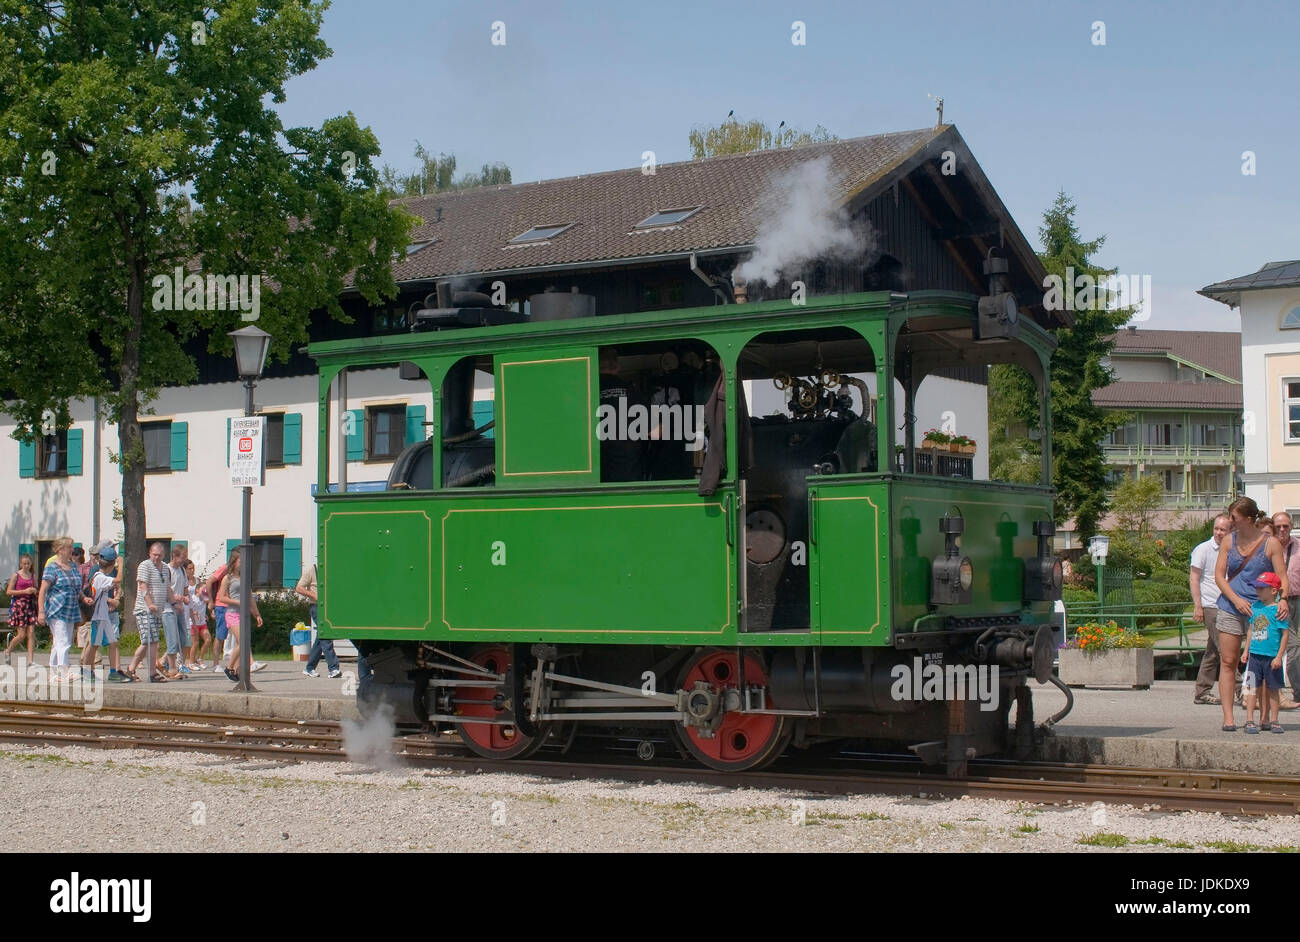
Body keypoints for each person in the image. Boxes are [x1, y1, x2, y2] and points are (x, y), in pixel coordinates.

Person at [1215, 497, 1290, 732]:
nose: (1230, 521)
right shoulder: (1229, 540)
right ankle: (1229, 717)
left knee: (1263, 662)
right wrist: (1236, 600)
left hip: (1261, 610)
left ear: (1248, 519)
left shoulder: (1271, 543)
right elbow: (1219, 575)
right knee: (1228, 661)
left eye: (1234, 517)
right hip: (1230, 606)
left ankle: (1265, 716)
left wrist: (1283, 599)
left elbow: (1282, 576)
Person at [1190, 514, 1235, 705]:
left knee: (1213, 651)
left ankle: (1202, 690)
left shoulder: (1232, 549)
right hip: (1211, 605)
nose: (1218, 533)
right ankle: (1242, 689)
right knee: (1226, 651)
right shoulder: (1203, 549)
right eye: (1216, 528)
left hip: (1227, 604)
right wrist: (1198, 605)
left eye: (1223, 529)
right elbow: (1194, 578)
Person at [1241, 572, 1289, 734]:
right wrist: (1246, 651)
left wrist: (1279, 656)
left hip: (1271, 656)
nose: (1258, 591)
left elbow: (1285, 635)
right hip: (1255, 655)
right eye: (1257, 588)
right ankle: (1249, 720)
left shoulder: (1279, 610)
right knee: (1251, 687)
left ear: (1274, 591)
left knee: (1273, 688)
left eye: (1262, 588)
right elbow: (1250, 630)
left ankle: (1274, 720)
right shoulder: (1255, 607)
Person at [36, 538, 81, 682]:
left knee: (59, 642)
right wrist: (41, 611)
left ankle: (54, 673)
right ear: (60, 550)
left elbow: (76, 586)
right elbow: (43, 590)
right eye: (69, 547)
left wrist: (84, 597)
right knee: (63, 641)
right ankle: (65, 670)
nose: (71, 550)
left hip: (71, 609)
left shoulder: (73, 566)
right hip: (57, 609)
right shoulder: (52, 567)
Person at [81, 548, 129, 682]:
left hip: (104, 616)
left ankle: (113, 672)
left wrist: (114, 599)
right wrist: (121, 563)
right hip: (98, 617)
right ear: (112, 564)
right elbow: (118, 580)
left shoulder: (99, 576)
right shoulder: (100, 577)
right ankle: (86, 671)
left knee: (113, 643)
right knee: (94, 645)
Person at [216, 552, 264, 682]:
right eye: (240, 561)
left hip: (244, 614)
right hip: (232, 613)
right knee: (243, 641)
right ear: (234, 562)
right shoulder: (228, 578)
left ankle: (237, 670)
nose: (243, 564)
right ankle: (229, 667)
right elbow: (222, 597)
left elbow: (250, 597)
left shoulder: (244, 577)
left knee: (240, 643)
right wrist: (238, 602)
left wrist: (257, 613)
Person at [1271, 511, 1300, 710]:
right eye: (1279, 526)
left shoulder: (1298, 546)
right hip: (1273, 601)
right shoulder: (1268, 546)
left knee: (1291, 645)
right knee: (1289, 644)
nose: (1282, 529)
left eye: (1286, 526)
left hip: (1296, 599)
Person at [133, 542, 171, 683]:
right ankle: (144, 671)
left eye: (159, 555)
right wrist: (150, 603)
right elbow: (143, 585)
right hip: (144, 610)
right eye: (154, 555)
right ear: (150, 553)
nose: (156, 558)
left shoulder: (165, 568)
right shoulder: (145, 565)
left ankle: (138, 671)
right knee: (150, 640)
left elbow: (167, 587)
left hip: (157, 612)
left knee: (150, 642)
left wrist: (174, 602)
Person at [296, 562, 339, 678]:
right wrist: (313, 595)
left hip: (328, 608)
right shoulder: (312, 569)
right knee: (326, 636)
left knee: (321, 636)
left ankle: (309, 668)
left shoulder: (333, 569)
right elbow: (299, 588)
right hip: (316, 607)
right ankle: (333, 668)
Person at [4, 554, 39, 665]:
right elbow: (8, 592)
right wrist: (24, 591)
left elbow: (37, 590)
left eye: (28, 563)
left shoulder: (33, 575)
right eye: (24, 563)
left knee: (32, 632)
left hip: (30, 605)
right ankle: (8, 651)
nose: (26, 566)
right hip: (19, 606)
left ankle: (30, 660)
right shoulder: (16, 575)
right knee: (21, 635)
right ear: (20, 564)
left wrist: (35, 590)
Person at [206, 553, 235, 673]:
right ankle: (216, 664)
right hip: (222, 606)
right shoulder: (225, 568)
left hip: (233, 606)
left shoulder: (239, 572)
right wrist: (211, 602)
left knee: (239, 636)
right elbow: (209, 582)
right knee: (220, 635)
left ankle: (240, 663)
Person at [184, 560, 211, 671]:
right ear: (185, 569)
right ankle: (190, 661)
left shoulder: (198, 581)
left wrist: (208, 612)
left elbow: (205, 598)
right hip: (189, 613)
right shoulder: (184, 581)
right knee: (193, 642)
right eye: (189, 568)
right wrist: (193, 612)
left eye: (193, 568)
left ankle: (198, 659)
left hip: (200, 615)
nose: (192, 570)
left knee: (207, 639)